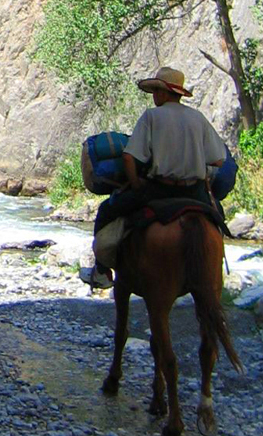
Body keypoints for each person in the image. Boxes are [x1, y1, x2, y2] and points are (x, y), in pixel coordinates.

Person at [80, 66, 225, 289]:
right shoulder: (198, 118)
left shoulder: (152, 117)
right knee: (217, 219)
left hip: (159, 188)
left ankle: (101, 271)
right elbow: (218, 160)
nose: (155, 95)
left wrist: (137, 183)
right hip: (194, 190)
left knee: (107, 210)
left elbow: (129, 157)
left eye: (157, 90)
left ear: (166, 92)